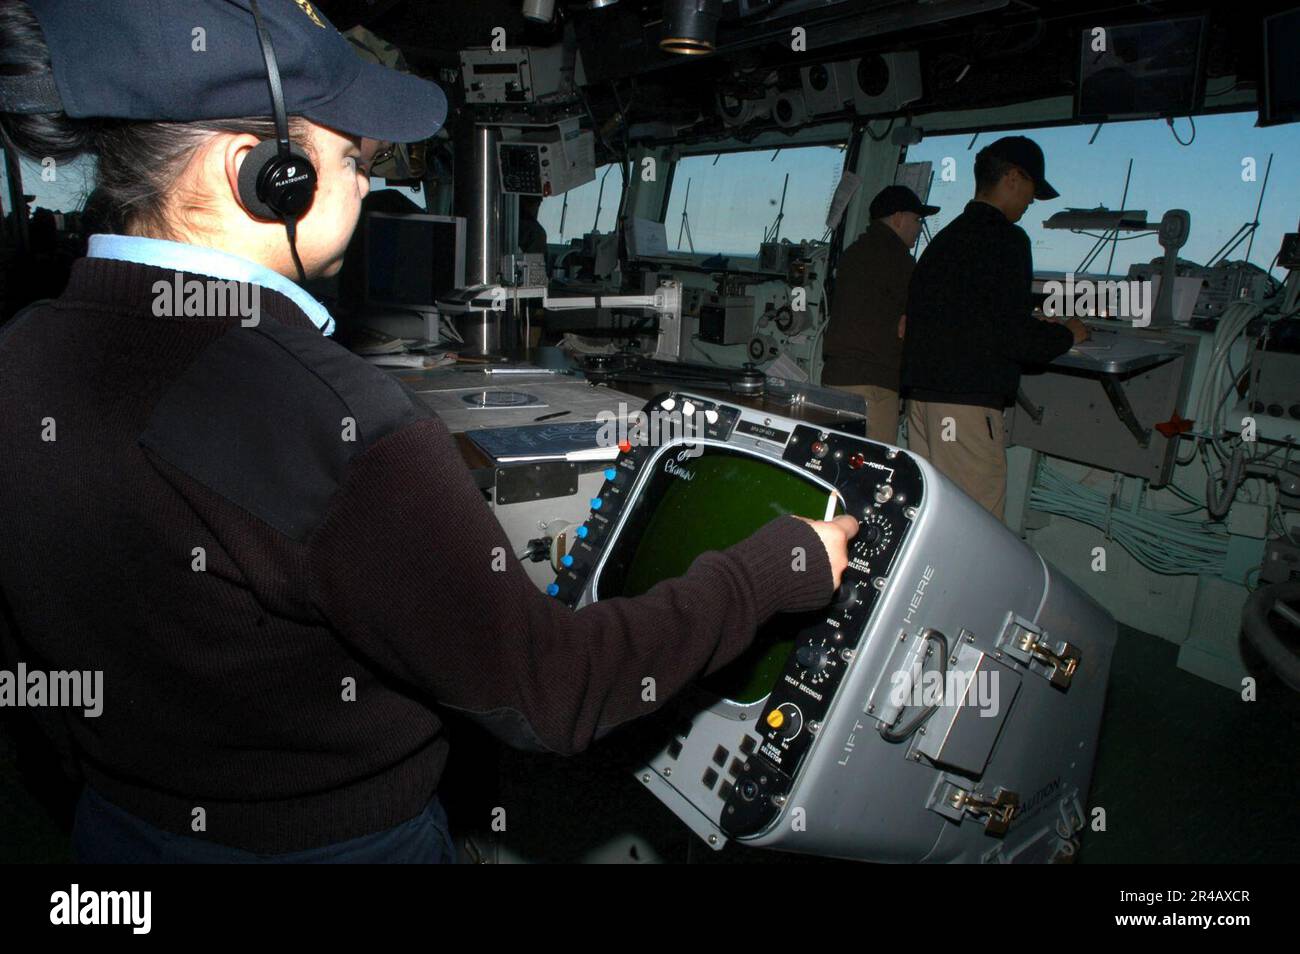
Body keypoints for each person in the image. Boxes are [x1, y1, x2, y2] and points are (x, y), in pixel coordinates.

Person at [0, 0, 857, 863]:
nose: (369, 183)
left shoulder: (23, 350)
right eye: (350, 157)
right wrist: (769, 570)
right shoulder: (335, 419)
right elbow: (555, 692)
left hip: (118, 830)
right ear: (262, 173)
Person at [901, 136, 1089, 520]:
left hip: (921, 404)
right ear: (1014, 177)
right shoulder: (1007, 240)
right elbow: (1014, 338)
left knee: (930, 521)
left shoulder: (944, 240)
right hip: (967, 408)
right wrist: (1068, 333)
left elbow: (958, 317)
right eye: (1033, 189)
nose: (1031, 202)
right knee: (978, 532)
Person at [822, 185, 937, 444]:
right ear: (898, 218)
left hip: (837, 379)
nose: (919, 228)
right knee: (872, 467)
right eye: (917, 219)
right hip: (873, 384)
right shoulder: (899, 260)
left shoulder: (853, 254)